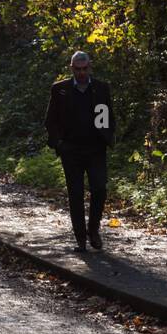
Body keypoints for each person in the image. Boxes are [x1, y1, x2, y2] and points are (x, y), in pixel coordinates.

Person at [44, 51, 115, 251]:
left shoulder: (100, 88)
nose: (82, 73)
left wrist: (107, 138)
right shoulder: (60, 90)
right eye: (78, 69)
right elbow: (51, 120)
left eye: (85, 69)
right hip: (71, 150)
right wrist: (59, 144)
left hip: (95, 149)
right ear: (71, 68)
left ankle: (94, 230)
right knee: (75, 194)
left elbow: (106, 116)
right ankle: (81, 239)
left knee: (99, 189)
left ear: (90, 67)